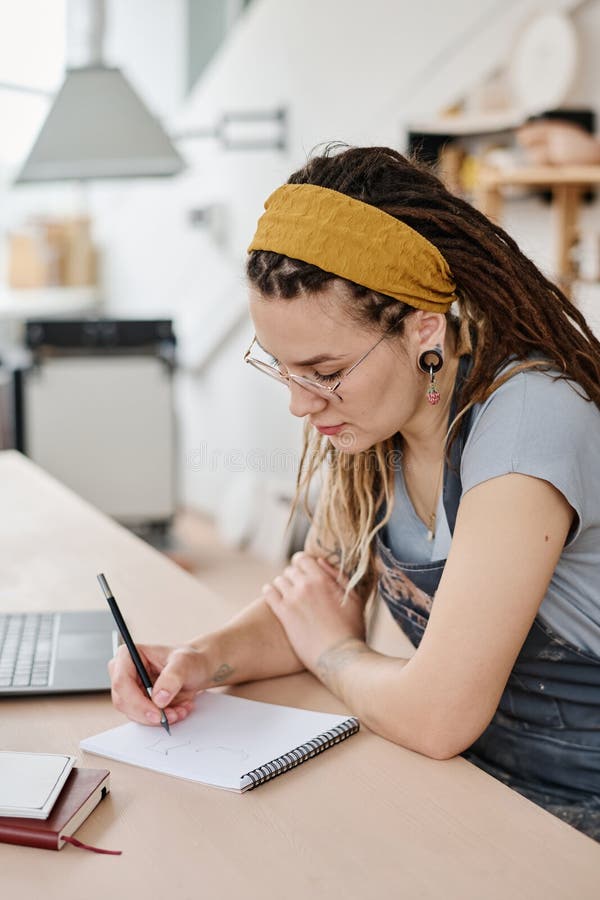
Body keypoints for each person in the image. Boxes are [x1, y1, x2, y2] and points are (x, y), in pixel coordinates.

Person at [109, 145, 600, 841]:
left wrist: (338, 655)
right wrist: (198, 661)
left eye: (325, 370)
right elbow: (312, 606)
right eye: (281, 368)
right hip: (483, 788)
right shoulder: (375, 428)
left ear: (424, 329)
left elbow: (436, 716)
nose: (299, 405)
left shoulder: (528, 421)